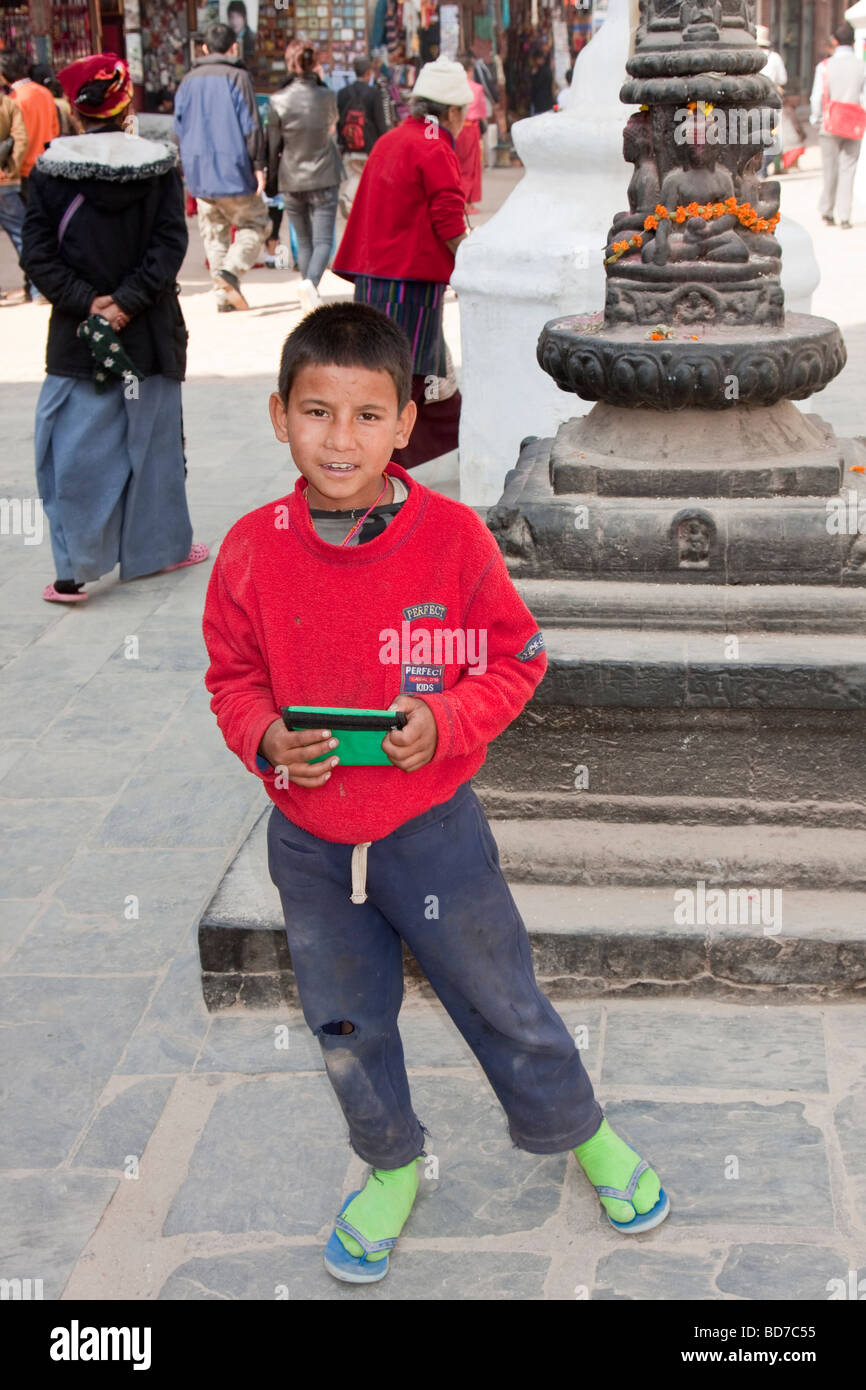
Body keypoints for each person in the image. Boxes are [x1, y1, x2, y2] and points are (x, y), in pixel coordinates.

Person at [202, 301, 671, 1286]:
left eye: (367, 414)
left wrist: (446, 723)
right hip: (310, 846)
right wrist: (267, 736)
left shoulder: (451, 539)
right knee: (343, 1022)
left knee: (503, 1000)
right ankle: (389, 1164)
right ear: (279, 414)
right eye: (316, 412)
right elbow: (232, 678)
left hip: (434, 837)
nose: (341, 438)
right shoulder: (252, 549)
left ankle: (579, 1131)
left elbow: (517, 657)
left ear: (408, 421)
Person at [20, 53, 208, 603]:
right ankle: (161, 551)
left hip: (79, 340)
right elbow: (170, 245)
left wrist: (88, 303)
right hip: (147, 334)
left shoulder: (50, 170)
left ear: (77, 114)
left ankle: (72, 573)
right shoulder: (158, 167)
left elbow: (37, 254)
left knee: (73, 453)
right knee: (154, 448)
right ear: (126, 104)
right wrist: (126, 304)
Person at [332, 55, 469, 471]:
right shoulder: (434, 146)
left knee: (382, 368)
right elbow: (448, 217)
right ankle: (386, 461)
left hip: (374, 278)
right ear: (451, 112)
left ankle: (378, 456)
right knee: (405, 375)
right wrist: (471, 261)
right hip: (410, 280)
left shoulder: (391, 139)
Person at [174, 21, 269, 311]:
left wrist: (185, 165)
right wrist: (259, 164)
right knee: (255, 224)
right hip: (233, 169)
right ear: (234, 47)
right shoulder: (238, 76)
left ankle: (222, 297)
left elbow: (177, 128)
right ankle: (231, 271)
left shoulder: (187, 80)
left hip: (200, 173)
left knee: (214, 232)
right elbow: (251, 124)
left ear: (204, 47)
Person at [267, 41, 343, 315]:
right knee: (323, 241)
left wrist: (271, 181)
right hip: (324, 175)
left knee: (305, 239)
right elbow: (333, 124)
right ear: (314, 64)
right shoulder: (327, 96)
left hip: (291, 177)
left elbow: (273, 146)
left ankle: (308, 288)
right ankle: (310, 285)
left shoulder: (278, 100)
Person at [810, 20, 866, 228]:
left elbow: (817, 96)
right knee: (848, 169)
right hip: (854, 123)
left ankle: (827, 210)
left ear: (835, 41)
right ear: (853, 41)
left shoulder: (824, 67)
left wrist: (816, 118)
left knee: (830, 169)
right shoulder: (862, 66)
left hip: (829, 122)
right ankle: (845, 215)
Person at [336, 54, 389, 219]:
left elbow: (339, 122)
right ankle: (348, 198)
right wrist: (385, 144)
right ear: (369, 73)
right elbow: (381, 122)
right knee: (362, 178)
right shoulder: (374, 94)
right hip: (369, 146)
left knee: (356, 175)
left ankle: (357, 208)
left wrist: (341, 143)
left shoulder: (343, 93)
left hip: (349, 145)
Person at [0, 86, 29, 304]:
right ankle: (38, 289)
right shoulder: (8, 104)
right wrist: (11, 169)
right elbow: (20, 139)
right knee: (21, 235)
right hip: (5, 181)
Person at [454, 54, 486, 212]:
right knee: (470, 166)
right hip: (471, 127)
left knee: (456, 164)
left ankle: (460, 200)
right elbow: (481, 111)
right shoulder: (476, 88)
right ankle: (466, 202)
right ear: (470, 70)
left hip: (456, 128)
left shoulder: (453, 88)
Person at [227, 0, 257, 68]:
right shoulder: (226, 37)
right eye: (231, 17)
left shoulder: (253, 37)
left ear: (244, 17)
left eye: (238, 17)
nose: (234, 21)